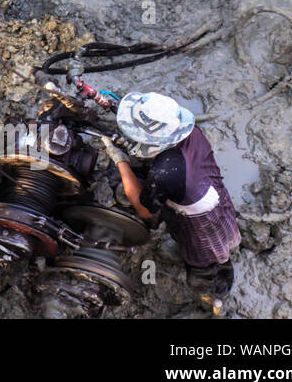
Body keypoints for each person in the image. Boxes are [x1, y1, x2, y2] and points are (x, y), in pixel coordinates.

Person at [101, 91, 241, 314]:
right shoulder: (192, 132)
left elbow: (145, 211)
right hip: (216, 196)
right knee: (224, 237)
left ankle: (212, 291)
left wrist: (120, 162)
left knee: (206, 261)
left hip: (200, 223)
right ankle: (222, 259)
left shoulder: (164, 172)